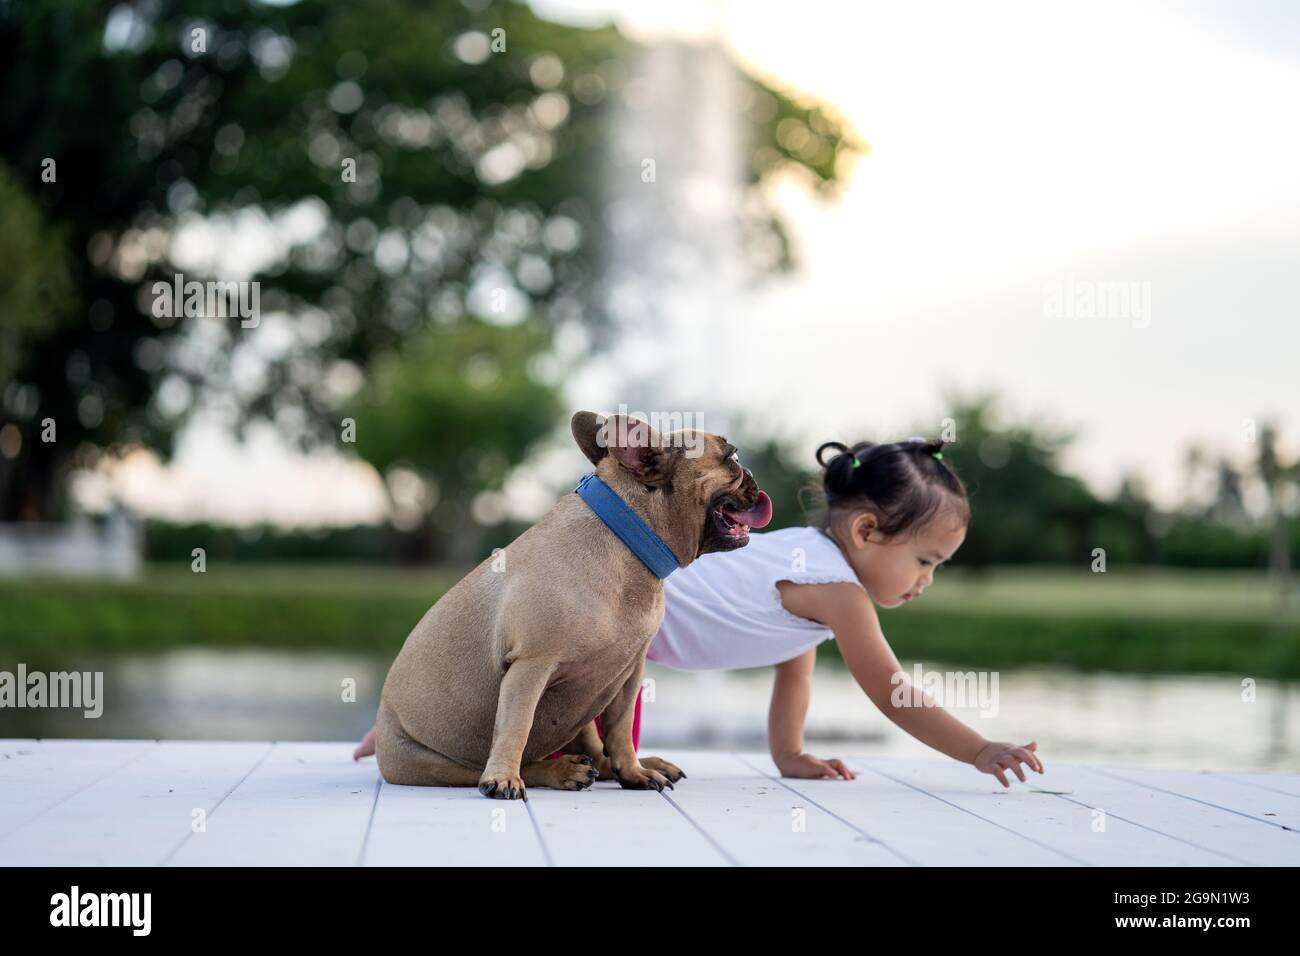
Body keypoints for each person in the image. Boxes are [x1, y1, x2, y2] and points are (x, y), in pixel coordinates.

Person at [355, 436, 1044, 787]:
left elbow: (793, 674)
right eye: (925, 561)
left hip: (630, 622)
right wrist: (978, 749)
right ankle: (413, 732)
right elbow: (894, 695)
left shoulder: (815, 572)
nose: (925, 581)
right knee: (522, 666)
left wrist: (790, 755)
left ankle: (407, 732)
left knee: (534, 673)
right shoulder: (841, 593)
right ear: (865, 532)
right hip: (618, 598)